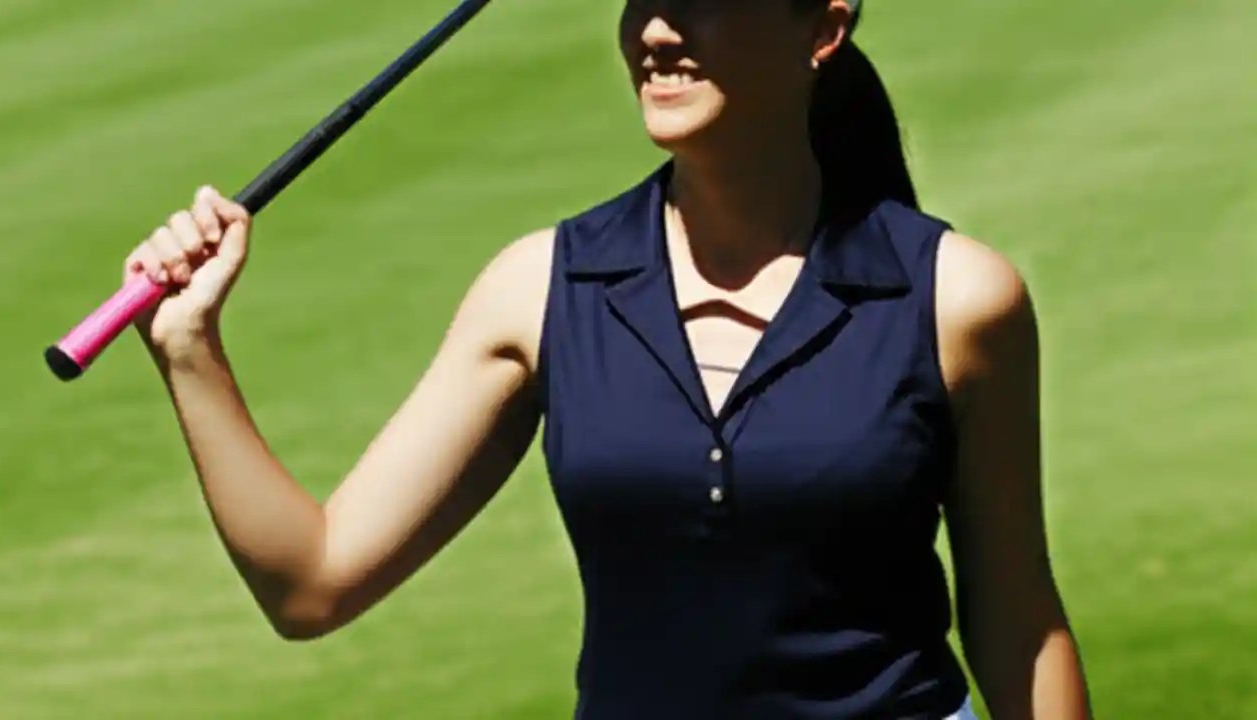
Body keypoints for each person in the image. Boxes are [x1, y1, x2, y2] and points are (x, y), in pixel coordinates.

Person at [124, 0, 1092, 717]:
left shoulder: (957, 297)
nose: (657, 31)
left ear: (821, 28)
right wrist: (191, 351)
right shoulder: (541, 289)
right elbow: (313, 581)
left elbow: (1016, 622)